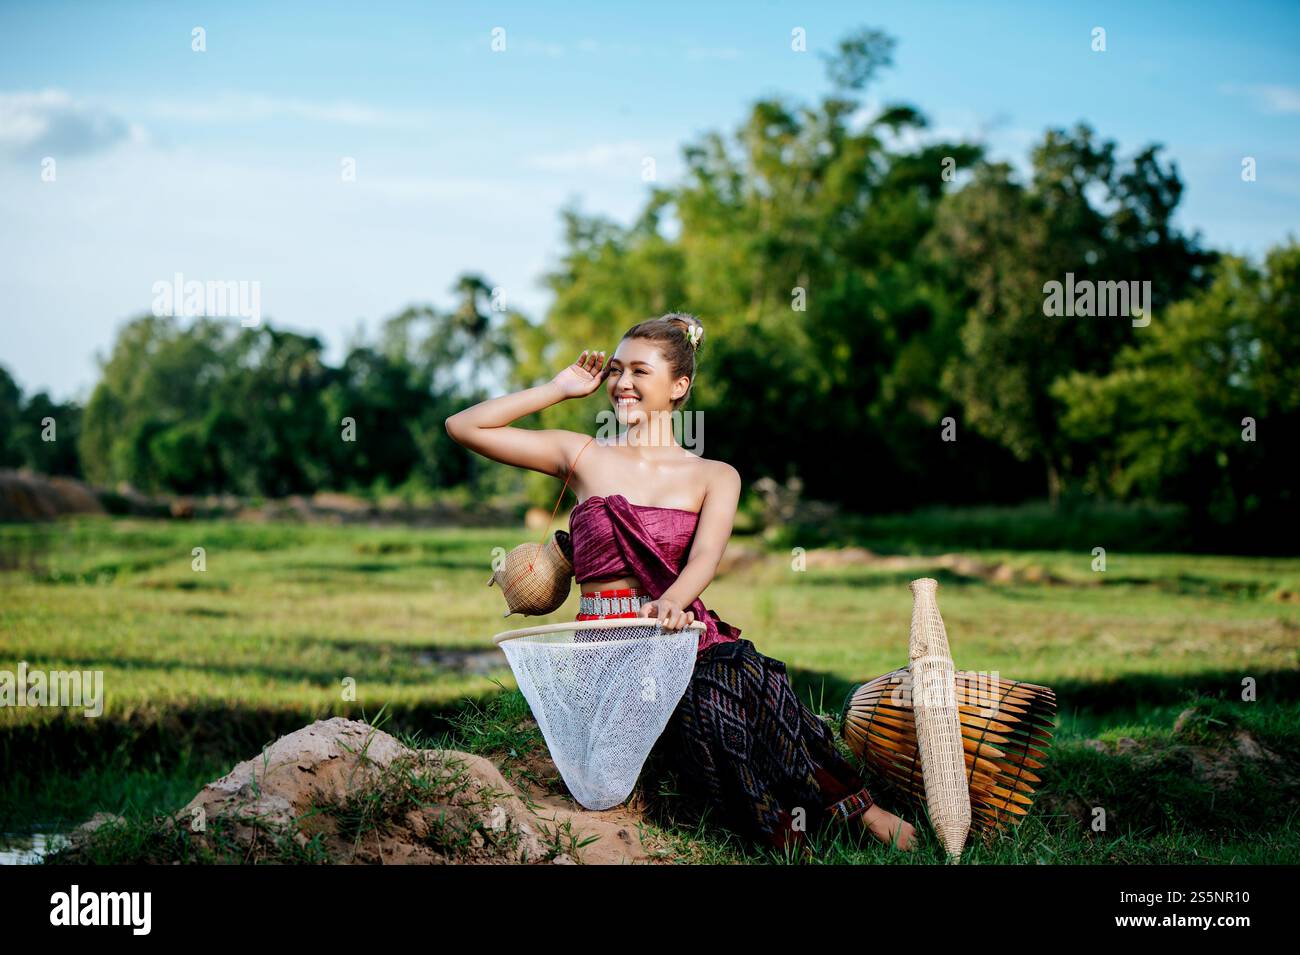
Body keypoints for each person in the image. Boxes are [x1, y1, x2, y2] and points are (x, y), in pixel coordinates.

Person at [446, 312, 917, 856]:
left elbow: (706, 560)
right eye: (616, 370)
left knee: (741, 679)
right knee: (710, 698)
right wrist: (558, 388)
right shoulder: (581, 456)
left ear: (679, 387)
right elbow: (464, 426)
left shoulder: (716, 475)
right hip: (608, 647)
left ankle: (857, 814)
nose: (622, 383)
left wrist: (670, 603)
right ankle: (786, 834)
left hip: (677, 635)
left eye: (640, 371)